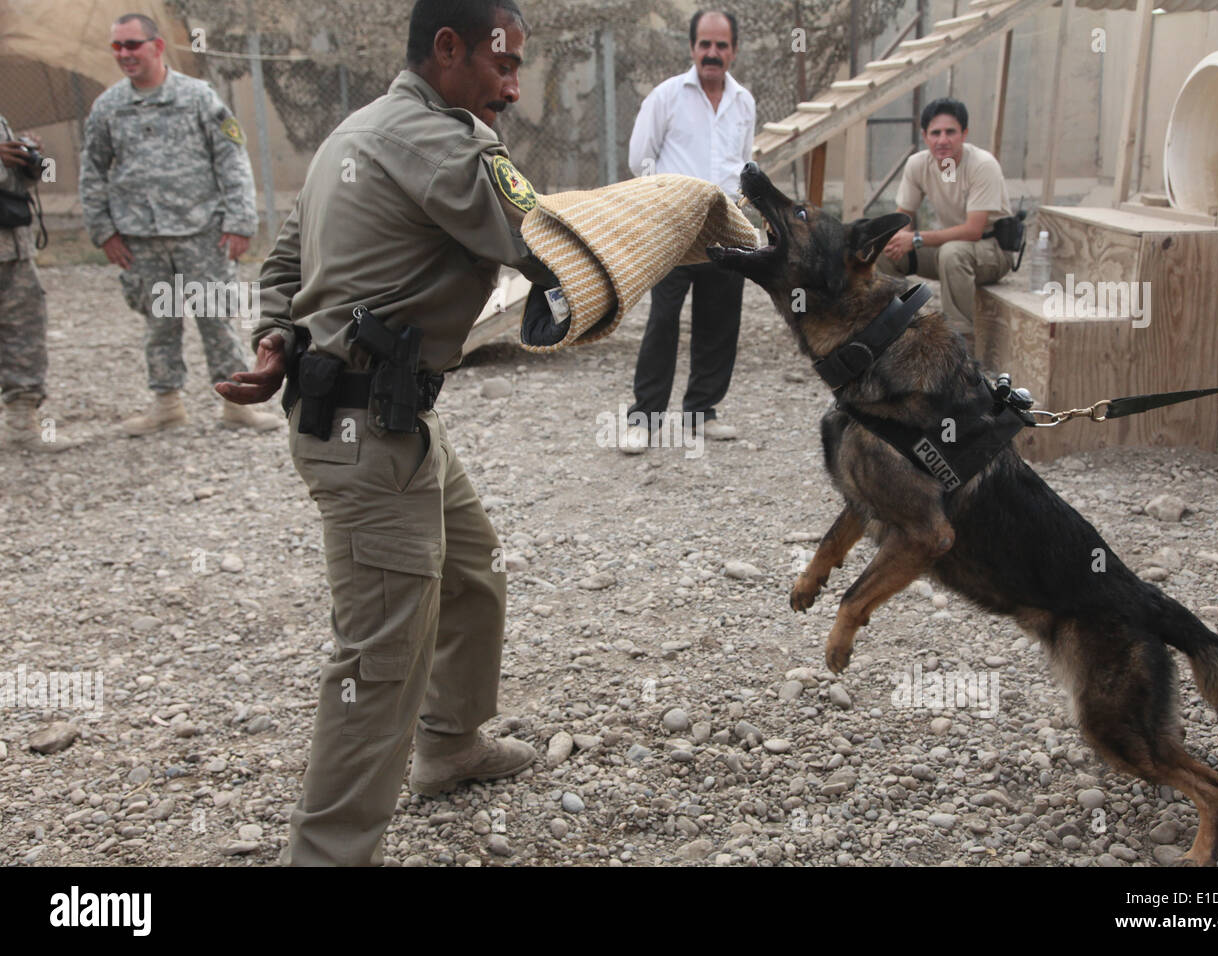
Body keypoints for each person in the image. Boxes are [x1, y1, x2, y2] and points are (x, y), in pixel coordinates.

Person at [218, 0, 550, 866]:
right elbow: (540, 237)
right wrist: (677, 222)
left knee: (472, 568)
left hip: (387, 418)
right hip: (368, 433)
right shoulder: (442, 140)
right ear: (447, 48)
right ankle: (326, 856)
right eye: (501, 63)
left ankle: (447, 745)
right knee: (377, 662)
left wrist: (274, 334)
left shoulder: (352, 133)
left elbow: (289, 261)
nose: (512, 88)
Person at [80, 12, 279, 435]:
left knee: (217, 318)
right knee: (158, 321)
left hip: (201, 233)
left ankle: (235, 404)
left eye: (132, 44)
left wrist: (241, 220)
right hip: (140, 238)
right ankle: (167, 405)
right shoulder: (108, 107)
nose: (124, 54)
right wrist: (105, 232)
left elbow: (232, 158)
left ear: (156, 46)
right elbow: (92, 172)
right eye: (117, 46)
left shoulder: (199, 98)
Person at [621, 9, 755, 453]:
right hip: (674, 230)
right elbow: (639, 158)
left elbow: (743, 161)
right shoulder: (666, 97)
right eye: (704, 44)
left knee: (719, 322)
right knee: (662, 319)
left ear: (732, 50)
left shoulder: (744, 103)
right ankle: (644, 419)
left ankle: (702, 412)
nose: (712, 53)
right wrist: (660, 207)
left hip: (725, 230)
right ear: (692, 47)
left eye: (721, 45)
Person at [875, 97, 1013, 339]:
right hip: (949, 247)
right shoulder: (917, 164)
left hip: (992, 251)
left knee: (952, 254)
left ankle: (960, 343)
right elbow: (903, 216)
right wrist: (892, 239)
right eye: (935, 133)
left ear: (964, 134)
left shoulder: (982, 165)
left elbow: (974, 230)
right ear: (924, 135)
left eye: (950, 132)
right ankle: (896, 331)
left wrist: (916, 238)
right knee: (887, 252)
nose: (942, 140)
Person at [0, 118, 76, 451]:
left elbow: (22, 183)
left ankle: (22, 425)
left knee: (24, 335)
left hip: (14, 247)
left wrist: (29, 161)